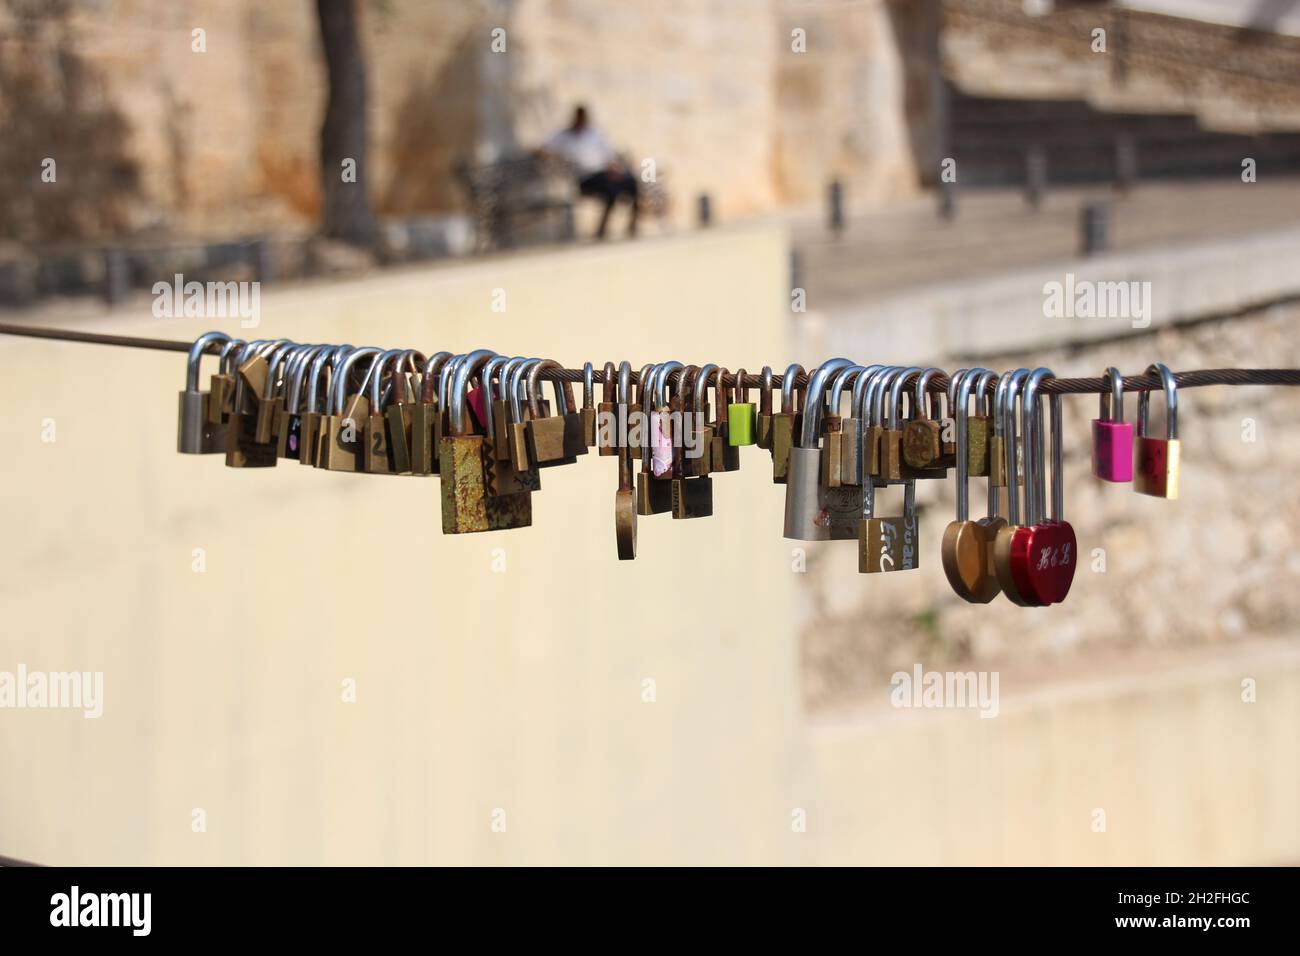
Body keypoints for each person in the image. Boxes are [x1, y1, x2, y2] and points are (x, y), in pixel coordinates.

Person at [541, 105, 638, 240]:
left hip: (603, 173)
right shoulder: (564, 136)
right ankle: (601, 231)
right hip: (585, 178)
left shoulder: (595, 134)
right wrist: (556, 157)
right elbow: (542, 149)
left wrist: (615, 169)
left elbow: (609, 157)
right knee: (610, 189)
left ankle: (632, 226)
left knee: (631, 181)